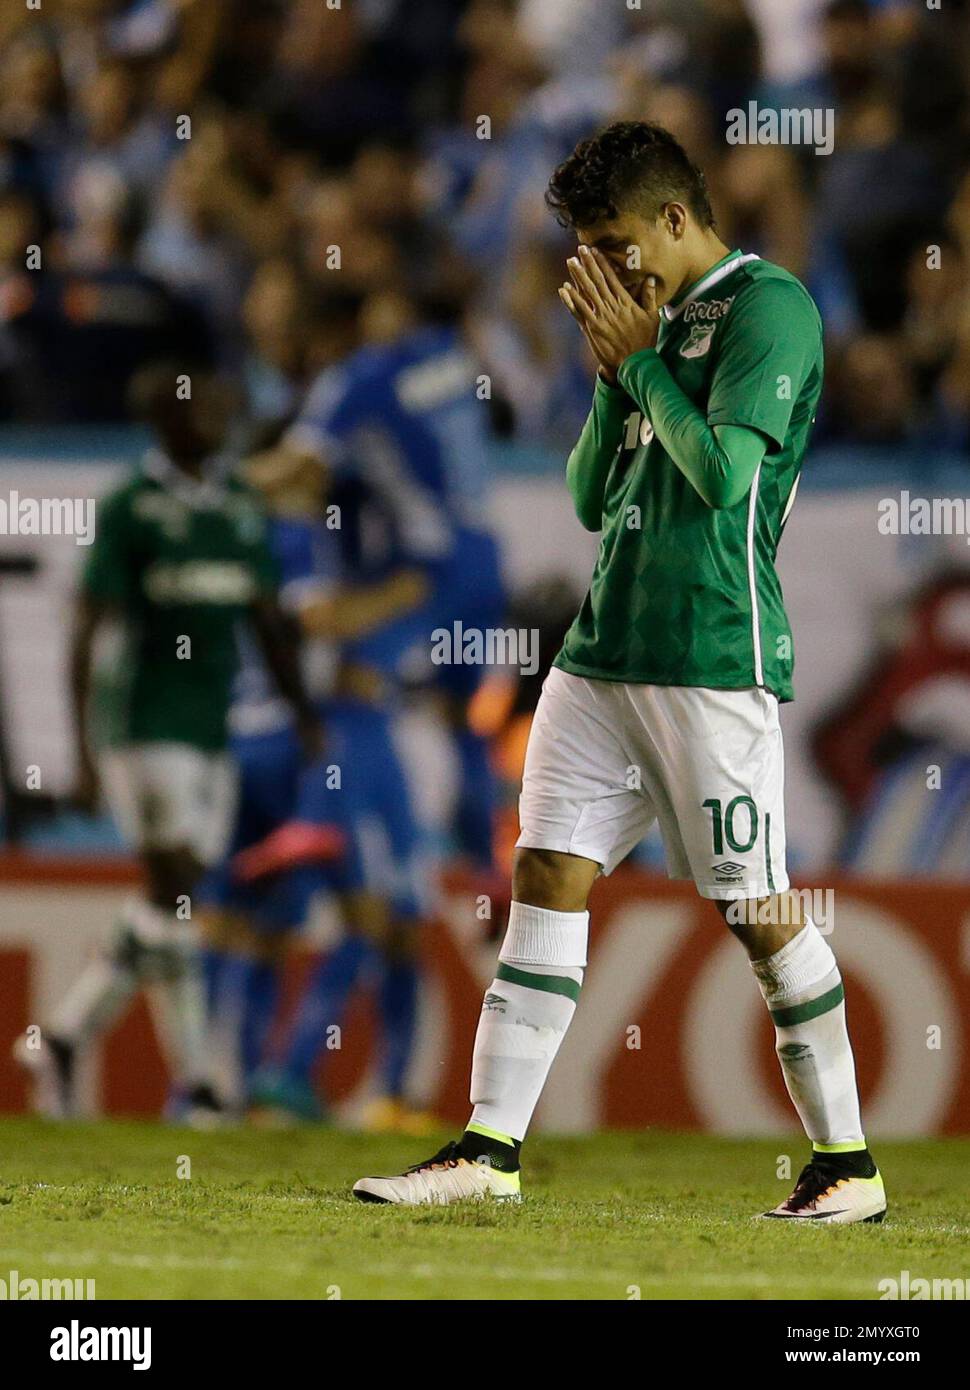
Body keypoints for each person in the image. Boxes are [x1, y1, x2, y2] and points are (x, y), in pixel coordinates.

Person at [352, 121, 886, 1225]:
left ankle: (848, 1164)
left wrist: (643, 364)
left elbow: (725, 481)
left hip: (708, 650)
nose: (600, 266)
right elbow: (594, 498)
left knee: (755, 906)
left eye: (612, 242)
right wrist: (612, 382)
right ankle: (489, 1147)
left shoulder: (769, 309)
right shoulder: (652, 323)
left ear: (675, 218)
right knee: (547, 870)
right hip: (601, 652)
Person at [15, 363, 320, 1123]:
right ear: (163, 419)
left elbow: (265, 619)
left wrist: (301, 710)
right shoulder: (132, 506)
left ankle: (64, 1037)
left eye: (220, 405)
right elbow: (86, 630)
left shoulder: (240, 503)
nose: (216, 418)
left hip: (212, 726)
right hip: (142, 721)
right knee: (176, 883)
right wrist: (83, 755)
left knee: (172, 902)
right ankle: (201, 1083)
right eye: (200, 406)